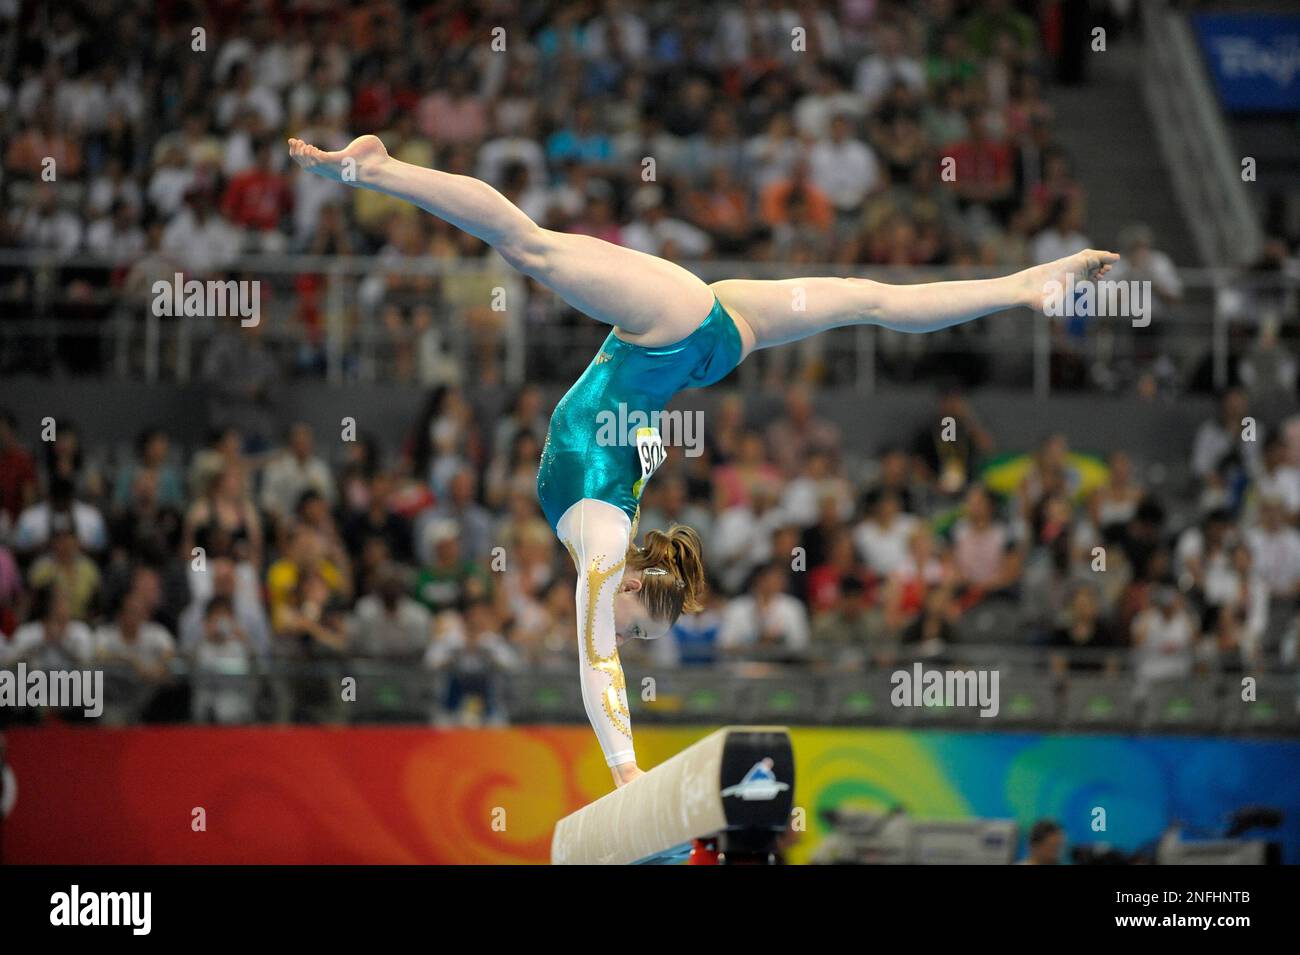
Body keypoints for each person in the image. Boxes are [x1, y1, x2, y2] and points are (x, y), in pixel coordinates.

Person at [289, 132, 1118, 787]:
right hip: (683, 332)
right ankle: (1026, 284)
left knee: (535, 249)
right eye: (642, 626)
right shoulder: (612, 529)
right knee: (856, 298)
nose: (627, 631)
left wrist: (624, 776)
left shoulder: (608, 545)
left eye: (639, 628)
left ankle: (379, 167)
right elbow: (624, 491)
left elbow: (594, 656)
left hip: (690, 333)